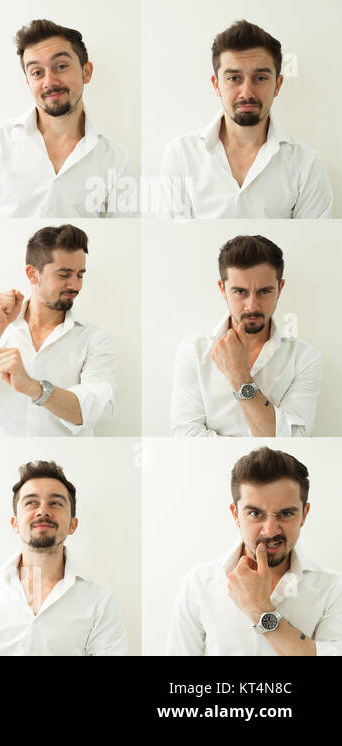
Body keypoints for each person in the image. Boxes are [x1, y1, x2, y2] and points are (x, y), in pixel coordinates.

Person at [167, 448, 341, 655]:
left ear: (304, 514)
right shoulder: (198, 584)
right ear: (235, 514)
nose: (270, 530)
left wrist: (260, 609)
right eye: (255, 513)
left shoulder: (334, 589)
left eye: (285, 513)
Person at [0, 19, 135, 218]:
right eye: (37, 72)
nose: (49, 81)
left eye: (61, 66)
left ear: (87, 71)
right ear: (28, 82)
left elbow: (123, 239)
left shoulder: (116, 160)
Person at [0, 460, 128, 655]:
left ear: (73, 525)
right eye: (31, 502)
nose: (43, 511)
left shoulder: (100, 600)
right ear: (15, 523)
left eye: (56, 503)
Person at [159, 20, 332, 219]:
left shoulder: (307, 164)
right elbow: (174, 243)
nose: (247, 92)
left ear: (278, 84)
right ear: (216, 85)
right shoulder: (182, 155)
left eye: (260, 78)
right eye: (234, 78)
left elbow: (313, 245)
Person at [0, 224, 116, 436]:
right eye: (64, 274)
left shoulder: (94, 338)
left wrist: (34, 388)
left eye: (80, 275)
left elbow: (99, 412)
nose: (75, 285)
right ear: (33, 274)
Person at [171, 235, 321, 437]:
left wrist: (240, 376)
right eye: (240, 291)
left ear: (280, 288)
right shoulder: (193, 352)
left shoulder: (304, 358)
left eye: (264, 291)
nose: (252, 305)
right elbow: (186, 436)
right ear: (222, 290)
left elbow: (296, 440)